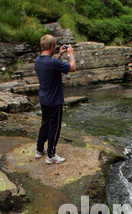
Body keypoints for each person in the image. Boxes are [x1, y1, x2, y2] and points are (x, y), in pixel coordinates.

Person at [35, 34, 76, 164]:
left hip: (43, 98)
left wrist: (59, 55)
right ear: (52, 46)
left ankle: (39, 150)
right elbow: (72, 67)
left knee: (45, 124)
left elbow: (52, 65)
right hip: (54, 100)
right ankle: (51, 155)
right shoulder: (53, 62)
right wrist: (71, 54)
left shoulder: (38, 60)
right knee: (55, 126)